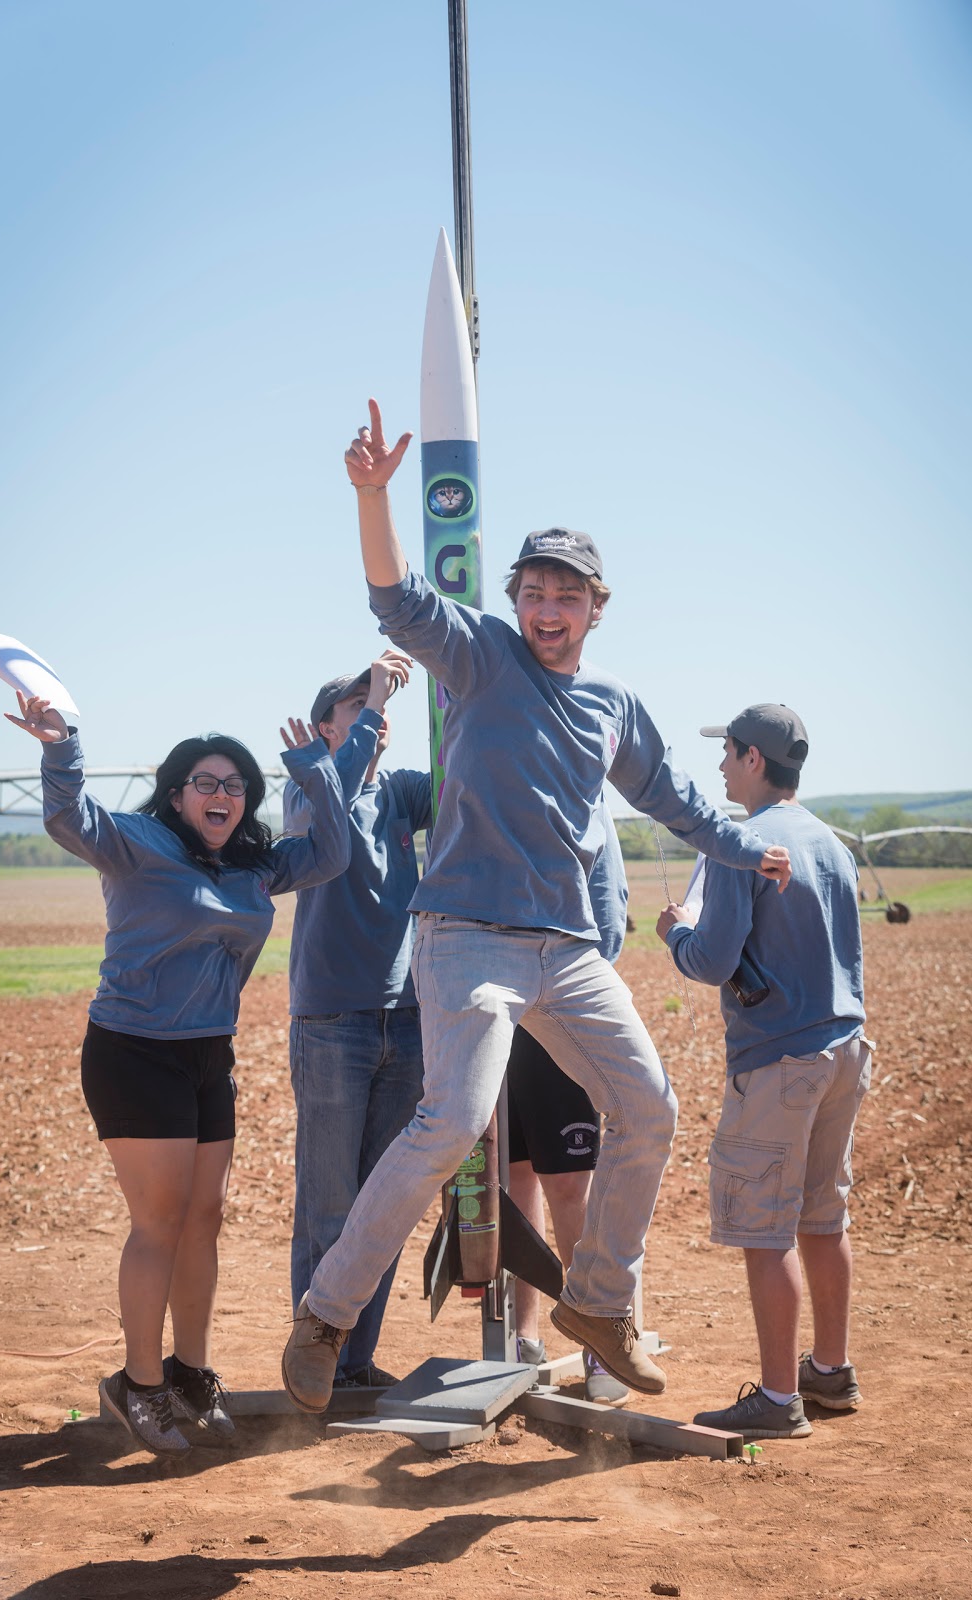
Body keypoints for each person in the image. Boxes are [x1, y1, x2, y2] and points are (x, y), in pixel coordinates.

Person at [280, 398, 793, 1416]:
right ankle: (326, 1313)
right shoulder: (478, 655)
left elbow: (675, 798)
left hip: (565, 946)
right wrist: (375, 498)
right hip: (466, 934)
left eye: (568, 594)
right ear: (515, 599)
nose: (548, 608)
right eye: (534, 590)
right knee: (451, 1119)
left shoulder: (613, 701)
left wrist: (743, 845)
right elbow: (397, 597)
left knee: (649, 1105)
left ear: (598, 606)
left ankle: (599, 1303)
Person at [6, 691, 350, 1455]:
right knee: (158, 1222)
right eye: (205, 781)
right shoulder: (137, 844)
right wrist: (62, 745)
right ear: (176, 793)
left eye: (234, 784)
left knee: (205, 1219)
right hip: (134, 1049)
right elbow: (70, 817)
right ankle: (139, 1385)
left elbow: (332, 853)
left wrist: (316, 769)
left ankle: (191, 1373)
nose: (221, 794)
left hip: (207, 1053)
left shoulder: (257, 866)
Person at [655, 704, 870, 1441]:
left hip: (778, 1058)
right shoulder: (832, 843)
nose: (720, 767)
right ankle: (831, 1373)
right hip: (845, 1049)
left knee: (764, 1229)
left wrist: (675, 935)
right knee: (822, 1214)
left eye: (728, 753)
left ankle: (779, 1399)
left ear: (754, 761)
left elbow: (712, 961)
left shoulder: (737, 843)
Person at [280, 649, 431, 1391]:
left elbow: (471, 778)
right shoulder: (309, 785)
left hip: (406, 1022)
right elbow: (330, 821)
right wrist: (372, 704)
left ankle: (357, 1361)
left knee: (383, 1203)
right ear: (324, 729)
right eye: (359, 707)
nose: (378, 714)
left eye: (381, 707)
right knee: (331, 1203)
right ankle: (320, 1361)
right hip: (332, 1022)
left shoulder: (401, 794)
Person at [508, 805, 631, 1406]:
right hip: (495, 1014)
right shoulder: (489, 788)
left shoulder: (585, 809)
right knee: (512, 1180)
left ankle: (603, 1342)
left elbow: (607, 917)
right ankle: (522, 1339)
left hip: (558, 1014)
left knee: (571, 1188)